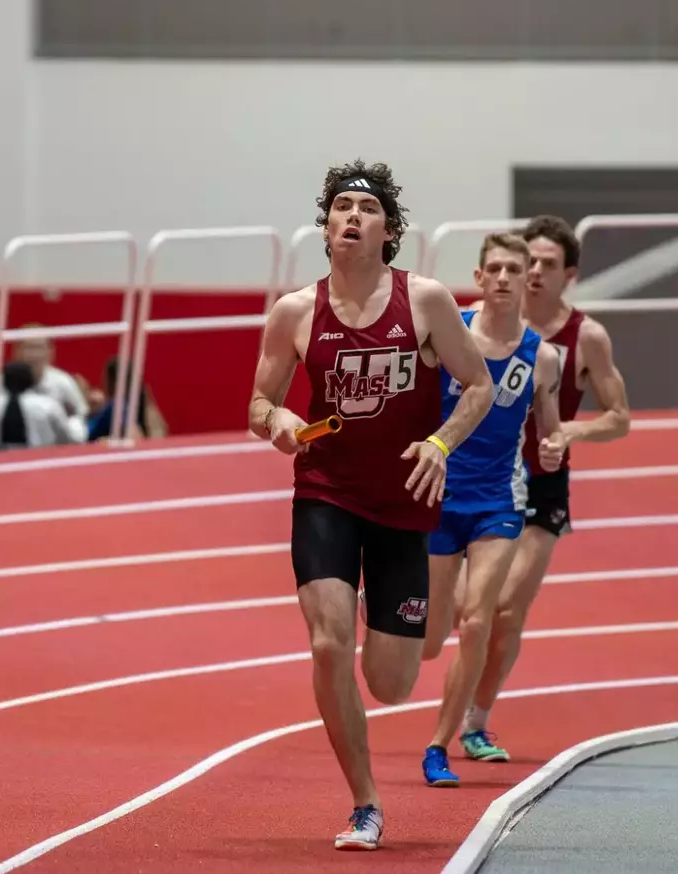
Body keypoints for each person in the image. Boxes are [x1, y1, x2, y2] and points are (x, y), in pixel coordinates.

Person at [247, 160, 494, 852]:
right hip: (326, 494)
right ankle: (365, 804)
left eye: (368, 208)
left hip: (401, 504)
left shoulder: (426, 302)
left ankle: (374, 603)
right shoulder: (295, 312)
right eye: (341, 206)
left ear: (390, 231)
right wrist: (279, 424)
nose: (352, 216)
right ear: (325, 225)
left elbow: (477, 386)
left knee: (390, 684)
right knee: (329, 644)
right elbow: (259, 403)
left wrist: (442, 445)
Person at [460, 214, 631, 763]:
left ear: (570, 275)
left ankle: (476, 722)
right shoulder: (476, 324)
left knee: (506, 610)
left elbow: (619, 416)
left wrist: (568, 431)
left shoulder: (587, 338)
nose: (532, 272)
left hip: (541, 485)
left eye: (547, 265)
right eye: (527, 261)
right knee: (462, 611)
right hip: (476, 478)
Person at [419, 232, 566, 788]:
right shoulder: (445, 333)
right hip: (437, 492)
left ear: (527, 277)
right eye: (494, 269)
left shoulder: (543, 358)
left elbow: (549, 437)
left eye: (514, 269)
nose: (504, 278)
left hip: (499, 501)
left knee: (478, 620)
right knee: (431, 640)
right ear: (479, 279)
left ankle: (439, 746)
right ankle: (380, 597)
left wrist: (554, 447)